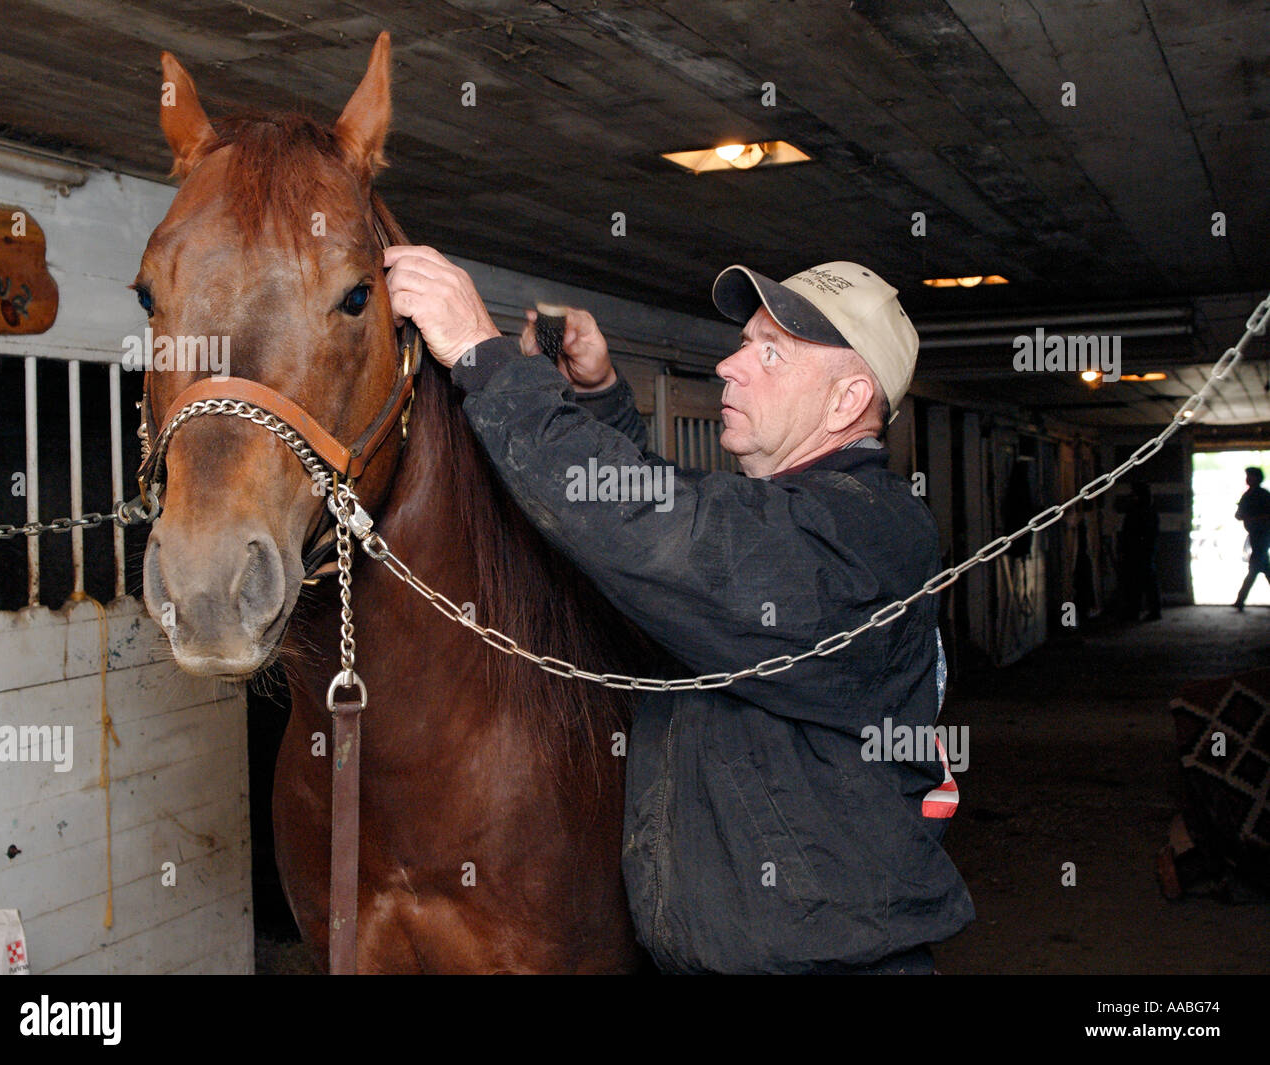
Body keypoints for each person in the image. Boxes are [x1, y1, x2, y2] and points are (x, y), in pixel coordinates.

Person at [384, 247, 975, 973]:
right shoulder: (795, 517)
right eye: (742, 344)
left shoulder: (865, 534)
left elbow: (671, 541)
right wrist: (599, 396)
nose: (730, 365)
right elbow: (685, 530)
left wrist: (486, 359)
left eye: (770, 352)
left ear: (846, 402)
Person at [1119, 482, 1161, 621]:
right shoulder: (1148, 508)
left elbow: (1133, 530)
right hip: (1143, 549)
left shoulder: (1140, 509)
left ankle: (1136, 611)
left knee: (1137, 582)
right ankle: (1148, 610)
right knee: (1145, 581)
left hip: (1139, 549)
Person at [1234, 466, 1270, 611]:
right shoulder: (1249, 495)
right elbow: (1238, 515)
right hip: (1256, 535)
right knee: (1263, 566)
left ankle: (1240, 600)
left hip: (1262, 534)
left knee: (1255, 567)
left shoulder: (1262, 495)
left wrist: (1254, 518)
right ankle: (1240, 600)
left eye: (1250, 476)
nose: (1248, 479)